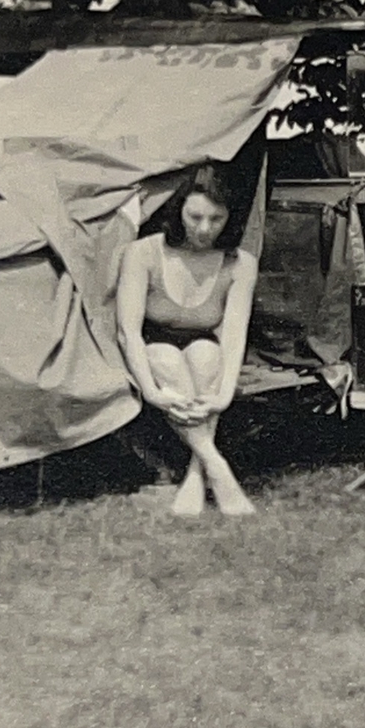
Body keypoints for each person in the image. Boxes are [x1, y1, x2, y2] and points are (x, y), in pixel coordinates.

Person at [116, 162, 259, 517]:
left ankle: (196, 475)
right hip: (149, 348)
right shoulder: (144, 253)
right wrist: (150, 390)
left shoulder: (239, 263)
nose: (204, 228)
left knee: (207, 357)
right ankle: (217, 468)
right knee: (165, 357)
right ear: (177, 209)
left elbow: (234, 335)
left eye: (216, 219)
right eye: (195, 217)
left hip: (202, 348)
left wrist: (224, 395)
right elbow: (127, 331)